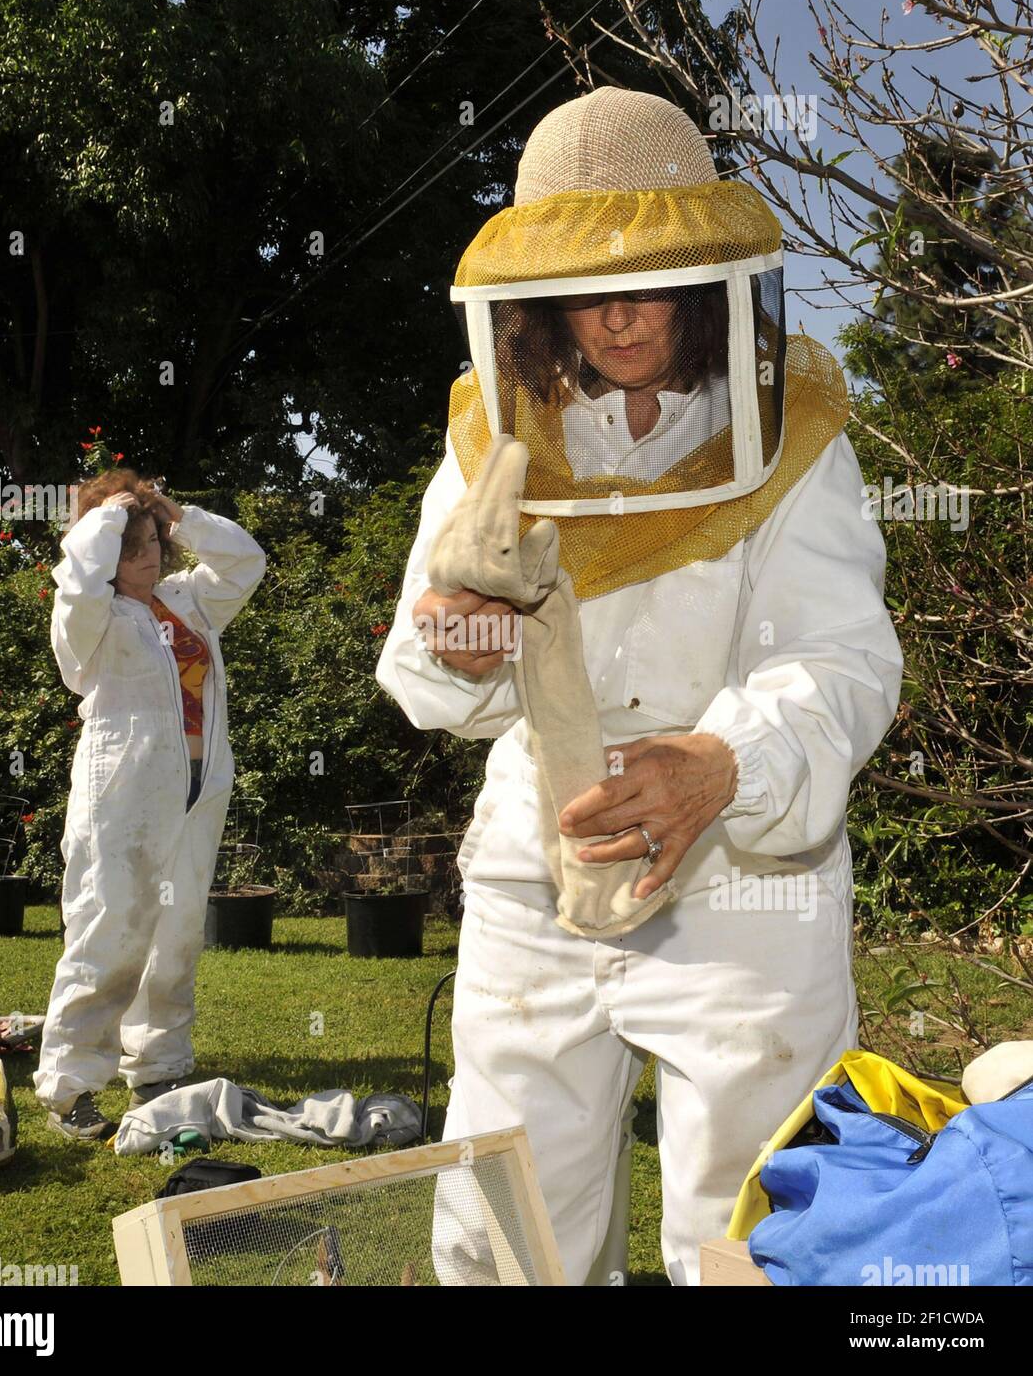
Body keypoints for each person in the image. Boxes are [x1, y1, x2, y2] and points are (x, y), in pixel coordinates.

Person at [376, 88, 904, 1284]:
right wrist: (458, 645)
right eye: (588, 280)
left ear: (713, 277)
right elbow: (427, 671)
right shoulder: (490, 443)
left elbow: (842, 657)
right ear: (539, 294)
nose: (617, 315)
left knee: (751, 1229)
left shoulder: (794, 439)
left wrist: (721, 764)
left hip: (742, 882)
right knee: (507, 1230)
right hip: (532, 873)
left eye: (650, 276)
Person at [33, 470, 266, 1140]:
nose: (148, 555)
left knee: (178, 930)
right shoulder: (90, 617)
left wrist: (177, 513)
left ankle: (159, 1064)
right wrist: (108, 515)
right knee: (108, 928)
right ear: (104, 547)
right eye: (131, 545)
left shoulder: (188, 600)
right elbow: (76, 577)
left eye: (153, 541)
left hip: (196, 791)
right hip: (123, 793)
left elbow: (244, 560)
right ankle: (70, 1085)